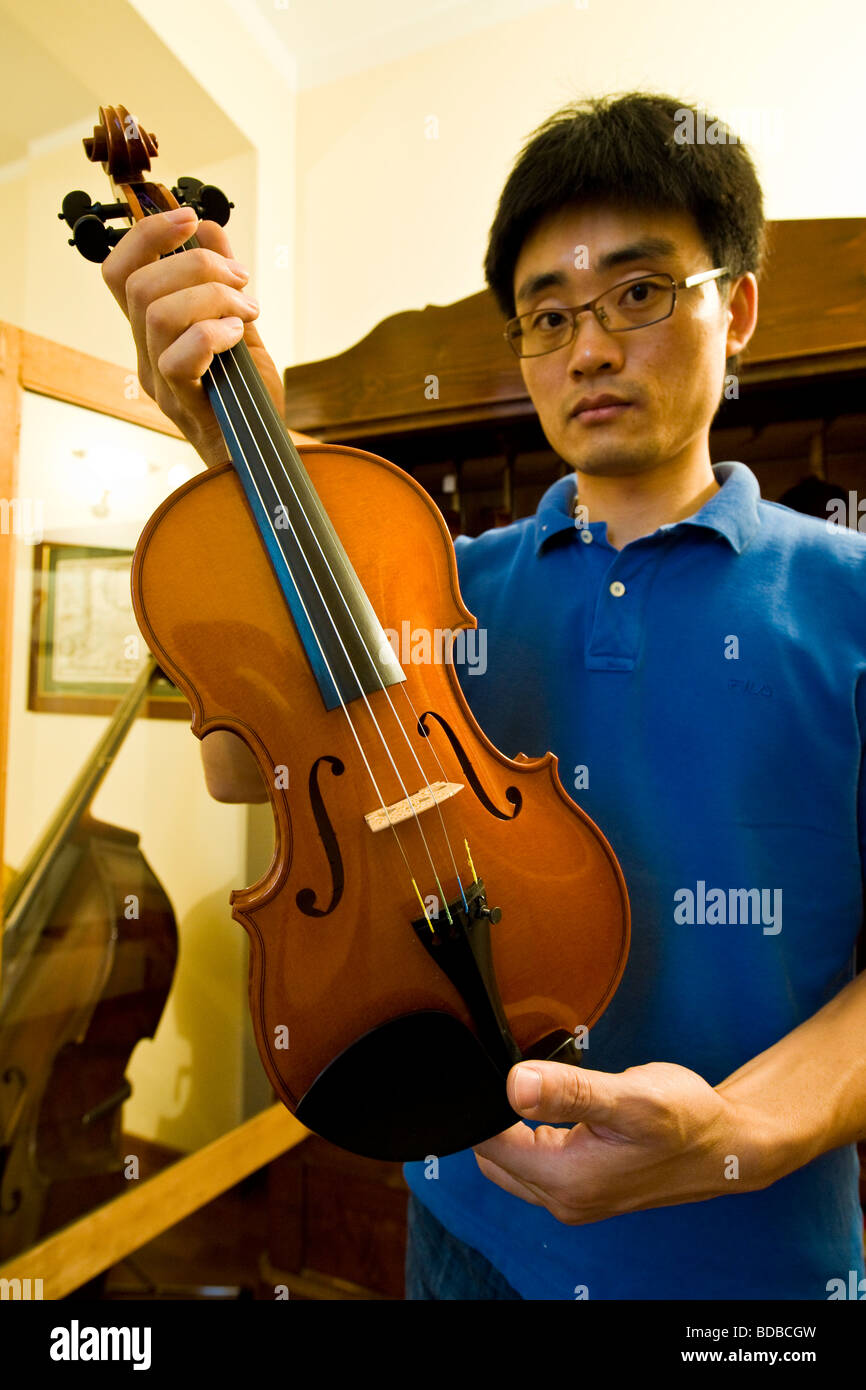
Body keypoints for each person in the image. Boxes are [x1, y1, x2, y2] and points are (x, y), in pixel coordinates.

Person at [102, 91, 866, 1302]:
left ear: (741, 309)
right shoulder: (426, 578)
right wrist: (233, 454)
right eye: (545, 315)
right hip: (458, 1226)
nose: (589, 348)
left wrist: (739, 1130)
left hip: (740, 1264)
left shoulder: (850, 592)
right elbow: (248, 760)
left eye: (638, 292)